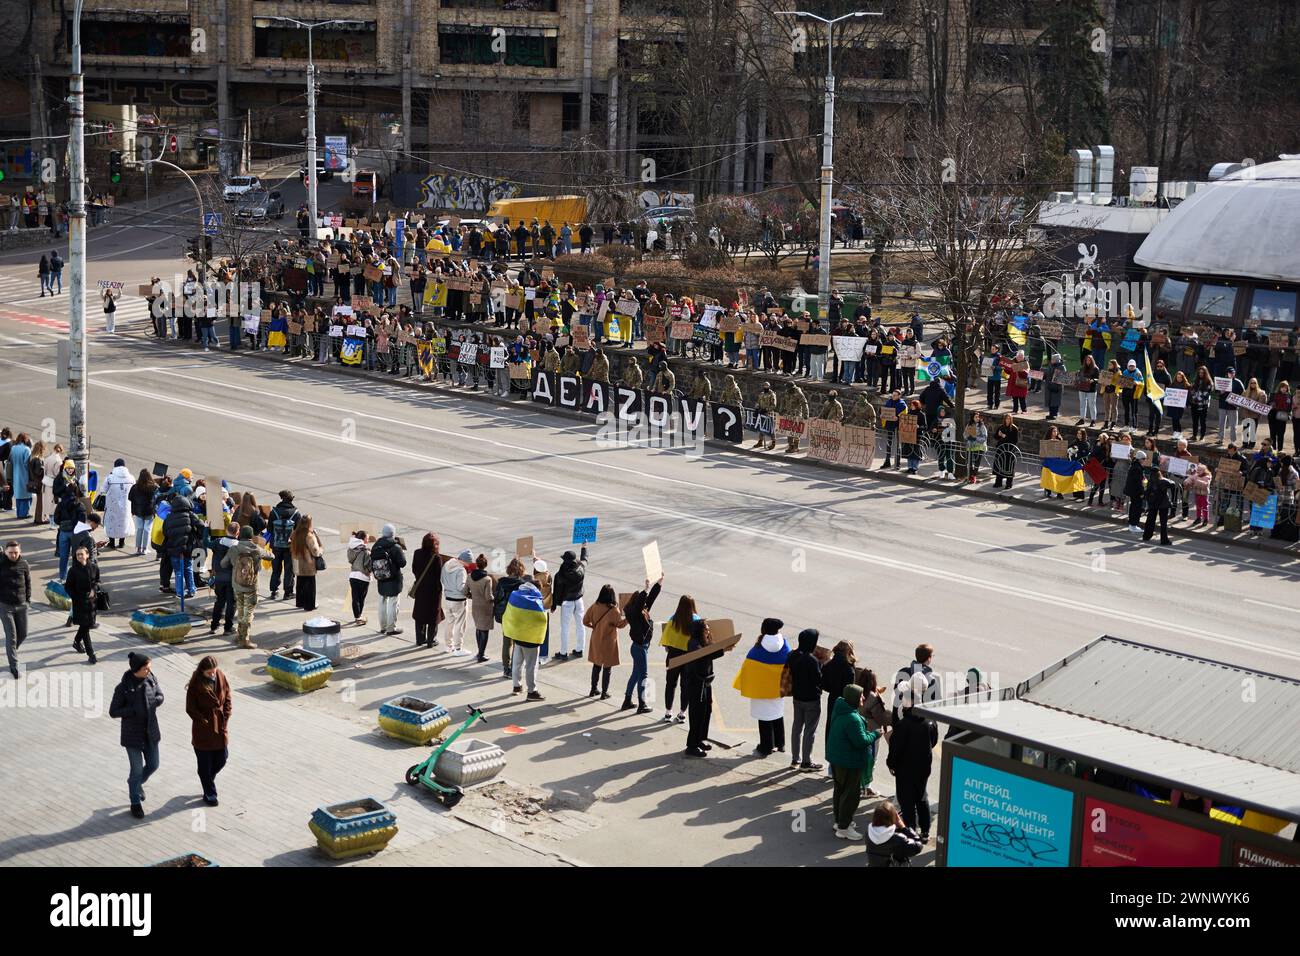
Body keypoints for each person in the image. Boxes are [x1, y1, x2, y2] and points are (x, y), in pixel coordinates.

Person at [109, 652, 164, 819]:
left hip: (150, 732)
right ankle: (135, 802)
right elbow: (113, 711)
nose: (149, 670)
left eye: (149, 668)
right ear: (137, 669)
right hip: (132, 735)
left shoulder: (151, 679)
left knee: (153, 764)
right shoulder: (123, 688)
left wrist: (156, 701)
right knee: (136, 770)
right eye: (146, 668)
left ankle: (136, 784)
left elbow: (160, 695)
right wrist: (133, 711)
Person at [826, 684, 884, 840]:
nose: (863, 698)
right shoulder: (852, 718)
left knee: (839, 790)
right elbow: (861, 741)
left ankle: (840, 822)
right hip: (849, 762)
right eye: (860, 696)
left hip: (837, 759)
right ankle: (844, 828)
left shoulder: (841, 709)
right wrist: (875, 734)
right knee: (851, 795)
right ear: (853, 699)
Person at [886, 675, 939, 841]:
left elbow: (896, 749)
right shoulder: (930, 721)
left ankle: (910, 832)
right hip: (923, 768)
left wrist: (891, 764)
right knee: (922, 798)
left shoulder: (903, 725)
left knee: (907, 802)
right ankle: (925, 832)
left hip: (905, 769)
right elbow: (934, 740)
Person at [733, 618, 791, 758]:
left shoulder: (758, 648)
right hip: (778, 689)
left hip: (760, 689)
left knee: (764, 718)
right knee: (777, 715)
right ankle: (780, 743)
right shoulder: (785, 646)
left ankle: (766, 746)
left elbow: (748, 668)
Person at [185, 656, 231, 807]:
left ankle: (207, 779)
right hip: (203, 731)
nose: (212, 674)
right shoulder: (195, 684)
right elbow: (190, 708)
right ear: (202, 671)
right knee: (204, 764)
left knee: (222, 758)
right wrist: (202, 720)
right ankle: (210, 793)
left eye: (214, 671)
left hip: (220, 726)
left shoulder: (221, 675)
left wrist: (227, 713)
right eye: (209, 673)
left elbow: (228, 694)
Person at [221, 526, 269, 648]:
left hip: (236, 585)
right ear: (251, 536)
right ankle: (244, 639)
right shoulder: (256, 549)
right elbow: (271, 556)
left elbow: (223, 563)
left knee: (241, 609)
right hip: (251, 586)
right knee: (248, 612)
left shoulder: (234, 548)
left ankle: (239, 635)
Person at [786, 628, 824, 772]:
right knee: (809, 730)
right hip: (812, 700)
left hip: (797, 697)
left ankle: (795, 759)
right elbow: (819, 680)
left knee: (796, 727)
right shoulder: (812, 660)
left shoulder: (793, 655)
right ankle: (806, 762)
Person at [622, 575, 661, 713]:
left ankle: (627, 701)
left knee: (635, 674)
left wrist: (659, 584)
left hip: (638, 647)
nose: (645, 605)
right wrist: (645, 589)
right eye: (642, 603)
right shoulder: (635, 613)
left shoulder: (639, 611)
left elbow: (650, 600)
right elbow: (642, 603)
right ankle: (642, 704)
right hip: (640, 648)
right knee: (643, 675)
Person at [504, 579, 548, 700]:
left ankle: (516, 686)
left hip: (518, 636)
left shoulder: (516, 595)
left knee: (517, 663)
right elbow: (541, 619)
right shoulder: (534, 601)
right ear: (536, 589)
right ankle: (532, 691)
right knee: (531, 666)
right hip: (531, 639)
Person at [583, 584, 627, 699]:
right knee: (607, 668)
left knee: (596, 665)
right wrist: (628, 619)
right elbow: (620, 625)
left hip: (596, 639)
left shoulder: (595, 606)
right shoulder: (614, 610)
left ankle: (593, 689)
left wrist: (593, 627)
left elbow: (585, 621)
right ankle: (604, 692)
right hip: (608, 642)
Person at [660, 594, 699, 723]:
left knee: (670, 684)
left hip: (673, 656)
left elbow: (665, 641)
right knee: (686, 686)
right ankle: (682, 714)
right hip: (689, 657)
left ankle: (668, 713)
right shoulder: (696, 620)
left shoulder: (673, 619)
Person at [162, 493, 204, 610]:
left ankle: (180, 592)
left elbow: (165, 532)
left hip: (174, 548)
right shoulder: (191, 515)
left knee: (178, 571)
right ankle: (191, 589)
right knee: (188, 568)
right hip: (188, 547)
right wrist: (197, 536)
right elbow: (201, 526)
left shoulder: (169, 517)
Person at [551, 545, 588, 660]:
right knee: (580, 625)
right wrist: (584, 548)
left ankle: (563, 652)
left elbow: (557, 592)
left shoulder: (560, 575)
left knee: (565, 628)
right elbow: (584, 560)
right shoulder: (581, 568)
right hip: (579, 600)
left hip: (567, 602)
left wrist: (554, 605)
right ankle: (579, 649)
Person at [1, 539, 32, 679]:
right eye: (10, 553)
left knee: (24, 634)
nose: (13, 555)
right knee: (11, 636)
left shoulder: (24, 564)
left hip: (22, 605)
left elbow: (28, 582)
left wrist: (28, 600)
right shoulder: (1, 563)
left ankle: (11, 651)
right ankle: (14, 665)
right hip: (5, 606)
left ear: (20, 552)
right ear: (6, 552)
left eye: (16, 552)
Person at [492, 558, 527, 678]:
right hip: (516, 616)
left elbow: (496, 598)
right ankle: (513, 668)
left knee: (506, 642)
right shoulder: (522, 584)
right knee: (517, 643)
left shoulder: (501, 582)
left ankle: (505, 668)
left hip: (504, 615)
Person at [371, 524, 407, 636]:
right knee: (393, 603)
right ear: (393, 534)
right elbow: (403, 563)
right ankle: (391, 628)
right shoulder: (395, 547)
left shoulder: (376, 546)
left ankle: (383, 627)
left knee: (382, 601)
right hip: (393, 579)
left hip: (381, 578)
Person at [866, 802, 925, 867]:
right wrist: (903, 828)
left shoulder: (868, 833)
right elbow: (918, 846)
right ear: (893, 817)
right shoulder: (898, 839)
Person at [267, 490, 300, 601]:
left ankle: (274, 591)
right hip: (290, 547)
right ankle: (288, 592)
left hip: (276, 545)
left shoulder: (274, 512)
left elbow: (269, 529)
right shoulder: (296, 513)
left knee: (276, 569)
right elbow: (298, 531)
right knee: (289, 570)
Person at [208, 521, 239, 636]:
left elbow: (206, 542)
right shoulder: (237, 545)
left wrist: (207, 529)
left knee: (219, 602)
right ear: (237, 532)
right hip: (232, 579)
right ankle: (228, 628)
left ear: (227, 530)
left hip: (219, 577)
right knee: (232, 603)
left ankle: (214, 626)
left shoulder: (217, 542)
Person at [291, 517, 327, 611]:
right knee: (310, 585)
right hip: (308, 563)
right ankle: (310, 605)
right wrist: (321, 550)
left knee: (300, 583)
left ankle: (300, 602)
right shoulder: (309, 536)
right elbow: (315, 551)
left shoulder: (295, 533)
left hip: (297, 562)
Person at [440, 547, 472, 654]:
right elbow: (461, 587)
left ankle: (448, 646)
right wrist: (468, 591)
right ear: (465, 560)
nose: (469, 565)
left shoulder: (447, 565)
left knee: (449, 623)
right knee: (460, 625)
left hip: (448, 598)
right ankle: (458, 648)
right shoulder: (461, 570)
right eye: (469, 562)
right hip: (458, 601)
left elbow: (442, 580)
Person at [468, 553, 496, 662]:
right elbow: (488, 597)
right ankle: (481, 654)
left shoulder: (470, 577)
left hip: (475, 606)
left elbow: (465, 591)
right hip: (485, 608)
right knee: (484, 630)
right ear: (485, 565)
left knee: (478, 628)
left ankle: (479, 652)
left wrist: (473, 596)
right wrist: (495, 599)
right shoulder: (487, 579)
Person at [1143, 462, 1178, 546]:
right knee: (1163, 523)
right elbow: (1173, 484)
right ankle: (1164, 540)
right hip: (1163, 503)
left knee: (1150, 520)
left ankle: (1146, 535)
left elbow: (1146, 493)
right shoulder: (1163, 481)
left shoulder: (1150, 482)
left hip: (1153, 502)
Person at [346, 529, 372, 626]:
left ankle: (357, 616)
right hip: (363, 577)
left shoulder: (351, 548)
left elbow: (350, 560)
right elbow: (368, 565)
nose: (368, 540)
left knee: (355, 597)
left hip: (353, 576)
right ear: (364, 539)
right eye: (368, 538)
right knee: (361, 598)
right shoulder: (365, 550)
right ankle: (359, 617)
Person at [128, 469, 157, 555]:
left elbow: (130, 498)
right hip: (149, 511)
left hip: (138, 511)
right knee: (147, 530)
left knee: (139, 529)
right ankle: (145, 549)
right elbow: (156, 498)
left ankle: (138, 548)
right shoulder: (153, 487)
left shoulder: (135, 487)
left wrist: (133, 510)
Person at [992, 414, 1020, 490]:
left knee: (1009, 466)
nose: (1007, 420)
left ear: (1011, 420)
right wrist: (999, 435)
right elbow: (996, 437)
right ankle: (998, 482)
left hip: (1009, 450)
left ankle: (1009, 483)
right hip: (1001, 449)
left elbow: (1015, 440)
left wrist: (1005, 436)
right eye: (1006, 419)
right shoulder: (1001, 427)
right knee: (999, 465)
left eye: (1009, 419)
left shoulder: (1014, 428)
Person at [7, 435, 32, 521]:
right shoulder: (26, 449)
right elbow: (27, 464)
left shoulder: (13, 448)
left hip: (15, 474)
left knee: (18, 495)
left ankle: (19, 513)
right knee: (26, 495)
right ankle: (24, 514)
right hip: (24, 474)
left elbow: (10, 460)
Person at [1125, 449, 1148, 532]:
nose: (1145, 461)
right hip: (1136, 492)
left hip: (1133, 491)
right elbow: (1138, 483)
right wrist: (1142, 492)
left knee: (1133, 507)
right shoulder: (1137, 468)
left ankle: (1132, 524)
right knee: (1136, 508)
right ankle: (1133, 525)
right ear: (1141, 459)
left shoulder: (1135, 466)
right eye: (1144, 459)